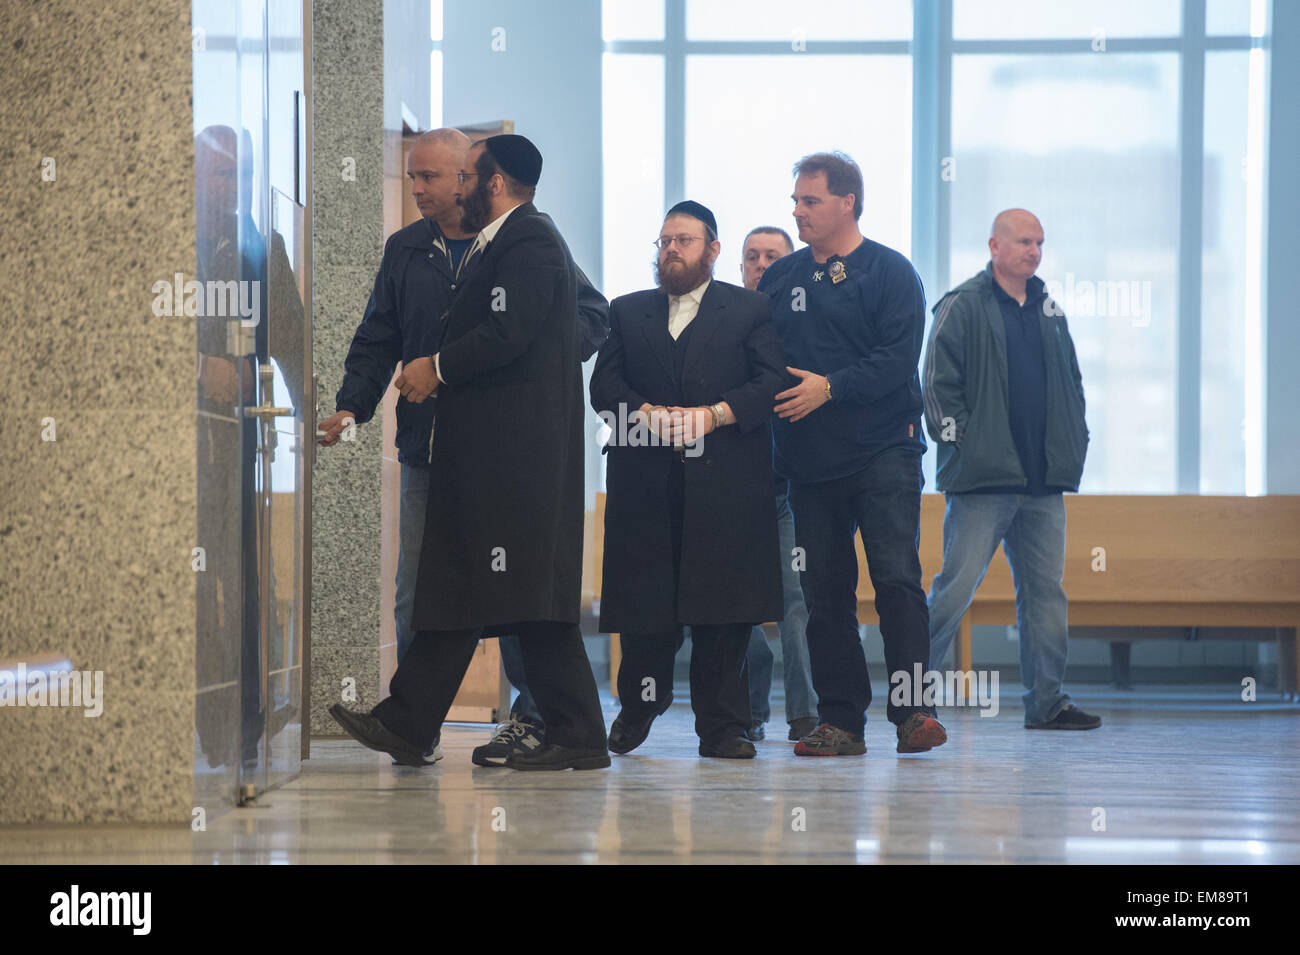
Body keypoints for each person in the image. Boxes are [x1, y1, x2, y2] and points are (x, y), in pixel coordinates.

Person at [318, 129, 609, 767]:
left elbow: (511, 330)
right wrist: (354, 402)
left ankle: (565, 732)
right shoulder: (465, 245)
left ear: (489, 182)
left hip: (512, 459)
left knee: (506, 592)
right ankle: (416, 721)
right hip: (468, 455)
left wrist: (437, 367)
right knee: (471, 591)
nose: (428, 189)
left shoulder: (529, 238)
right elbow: (381, 335)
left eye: (460, 177)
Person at [757, 151, 948, 757]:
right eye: (795, 201)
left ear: (848, 203)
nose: (798, 211)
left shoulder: (892, 273)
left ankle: (914, 712)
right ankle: (840, 720)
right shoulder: (780, 278)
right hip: (808, 464)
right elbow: (761, 364)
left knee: (895, 579)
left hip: (884, 451)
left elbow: (896, 362)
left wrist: (830, 387)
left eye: (809, 201)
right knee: (824, 594)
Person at [591, 201, 785, 759]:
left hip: (726, 483)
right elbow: (604, 389)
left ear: (713, 249)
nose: (670, 249)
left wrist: (716, 413)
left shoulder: (750, 309)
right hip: (645, 480)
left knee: (723, 611)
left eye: (684, 240)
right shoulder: (627, 311)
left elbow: (771, 382)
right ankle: (640, 705)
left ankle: (723, 726)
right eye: (664, 241)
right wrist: (646, 411)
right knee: (647, 606)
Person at [922, 209, 1100, 730]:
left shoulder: (1049, 310)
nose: (1034, 251)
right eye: (1024, 241)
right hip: (983, 480)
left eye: (1040, 243)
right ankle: (912, 700)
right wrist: (966, 444)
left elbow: (1072, 385)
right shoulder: (962, 305)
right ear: (994, 245)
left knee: (1046, 594)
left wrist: (1077, 440)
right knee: (954, 590)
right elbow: (936, 388)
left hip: (1043, 483)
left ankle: (1048, 704)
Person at [738, 226, 818, 744]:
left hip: (786, 486)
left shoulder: (803, 326)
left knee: (795, 599)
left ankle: (806, 714)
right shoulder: (722, 322)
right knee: (735, 606)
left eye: (773, 256)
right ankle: (747, 710)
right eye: (752, 256)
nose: (762, 264)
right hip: (729, 489)